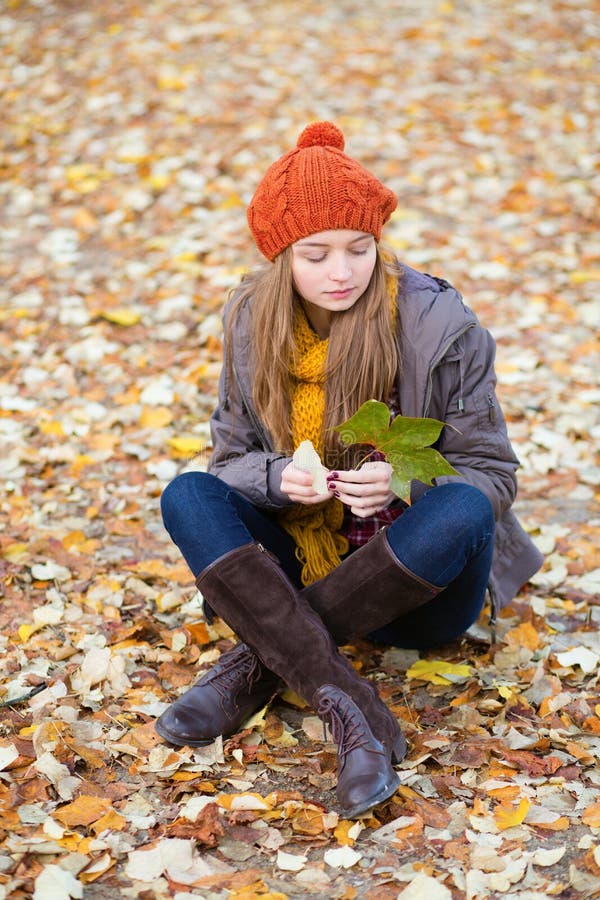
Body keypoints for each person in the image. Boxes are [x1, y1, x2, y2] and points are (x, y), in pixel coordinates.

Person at [154, 121, 543, 819]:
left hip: (419, 589)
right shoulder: (251, 321)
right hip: (302, 560)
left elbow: (492, 473)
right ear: (281, 258)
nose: (342, 272)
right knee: (187, 494)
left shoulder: (437, 324)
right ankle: (353, 709)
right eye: (317, 254)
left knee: (462, 507)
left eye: (360, 249)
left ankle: (258, 661)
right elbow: (229, 463)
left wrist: (408, 483)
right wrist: (277, 482)